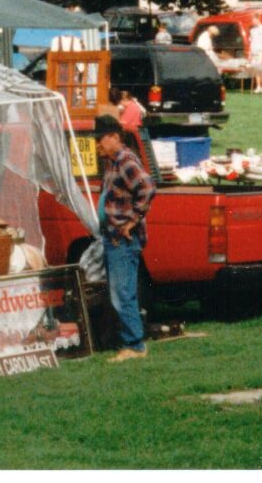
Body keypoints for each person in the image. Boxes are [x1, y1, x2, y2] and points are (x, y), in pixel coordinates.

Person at [94, 114, 154, 362]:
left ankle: (135, 345)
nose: (97, 145)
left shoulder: (125, 160)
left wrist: (132, 221)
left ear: (114, 137)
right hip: (113, 237)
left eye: (100, 140)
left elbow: (147, 188)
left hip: (123, 239)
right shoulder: (112, 162)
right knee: (120, 291)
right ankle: (130, 340)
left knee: (122, 292)